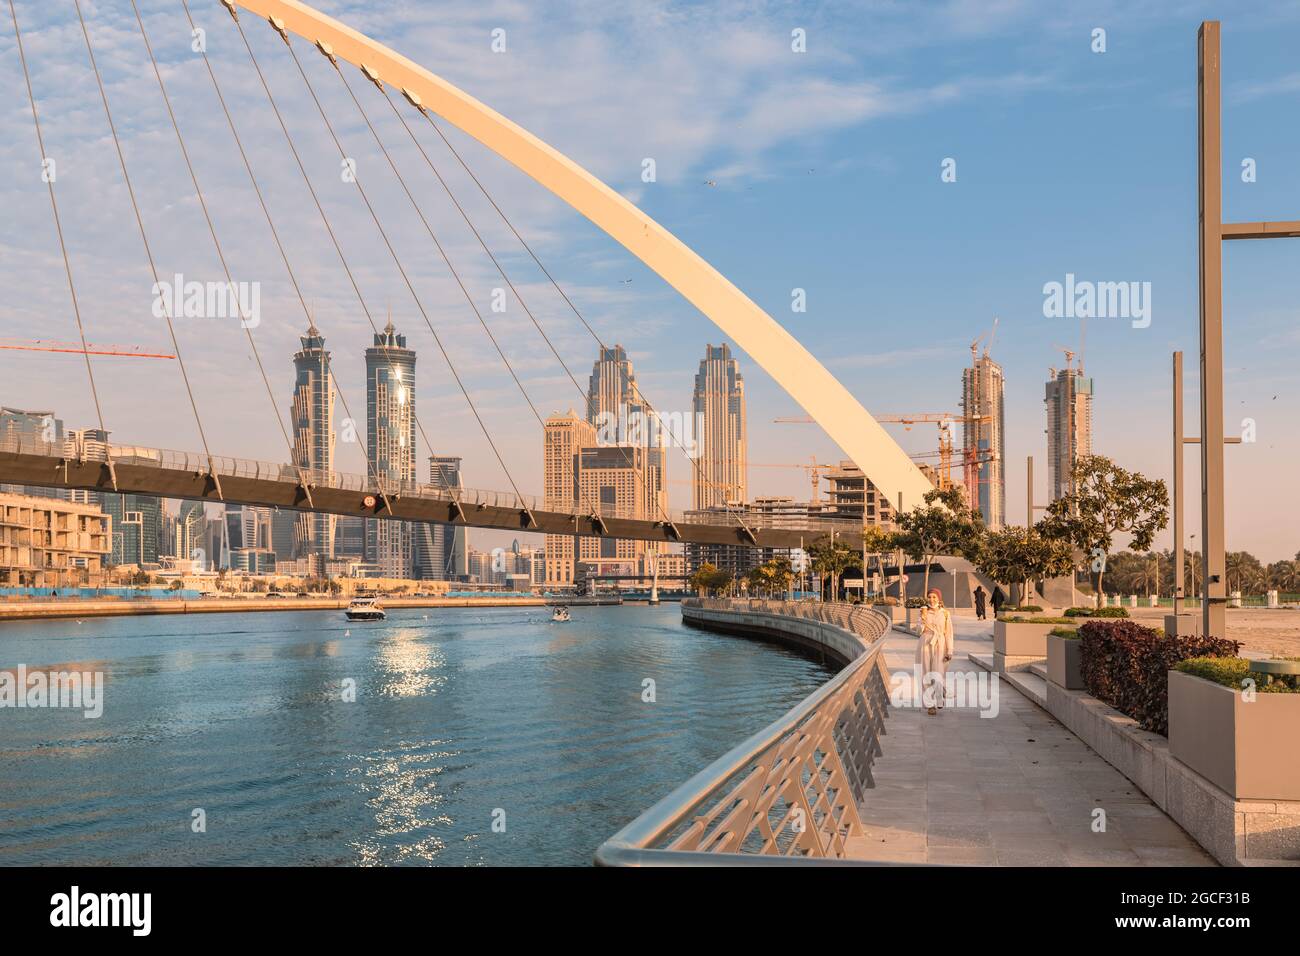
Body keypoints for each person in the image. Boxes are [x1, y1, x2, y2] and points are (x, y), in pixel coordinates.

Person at [915, 587, 954, 716]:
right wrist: (923, 618)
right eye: (929, 597)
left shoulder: (945, 614)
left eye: (934, 597)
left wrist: (950, 650)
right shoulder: (923, 612)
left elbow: (948, 633)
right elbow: (918, 631)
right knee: (926, 673)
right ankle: (930, 704)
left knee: (938, 673)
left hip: (940, 644)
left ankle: (939, 697)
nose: (931, 600)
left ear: (939, 598)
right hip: (925, 643)